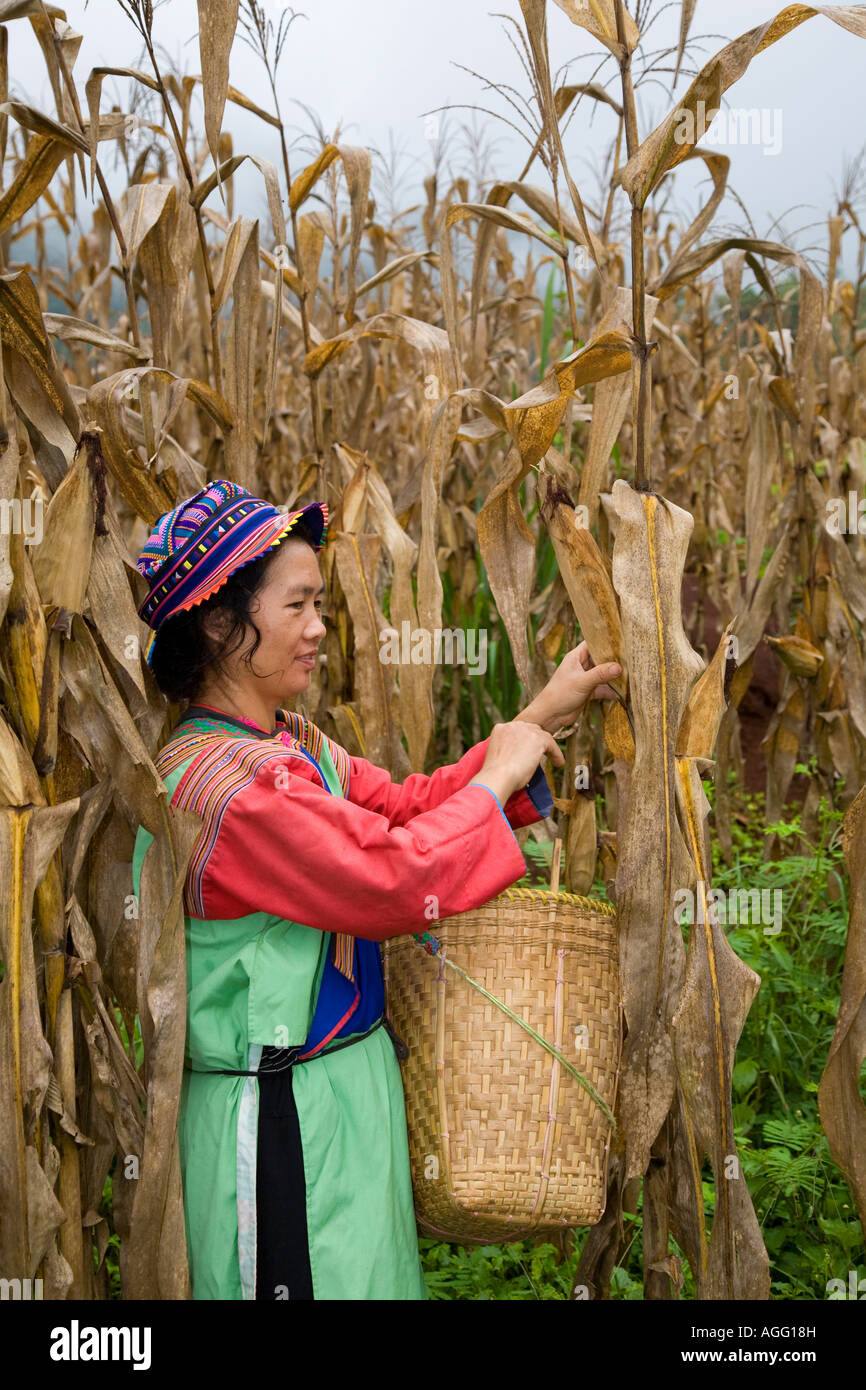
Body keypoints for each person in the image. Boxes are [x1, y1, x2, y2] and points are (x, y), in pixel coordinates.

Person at [131, 478, 622, 1300]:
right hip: (276, 1124)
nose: (320, 628)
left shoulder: (293, 748)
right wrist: (496, 782)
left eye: (321, 603)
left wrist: (539, 718)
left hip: (344, 1095)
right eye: (297, 607)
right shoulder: (221, 786)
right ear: (220, 623)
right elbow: (392, 875)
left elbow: (401, 810)